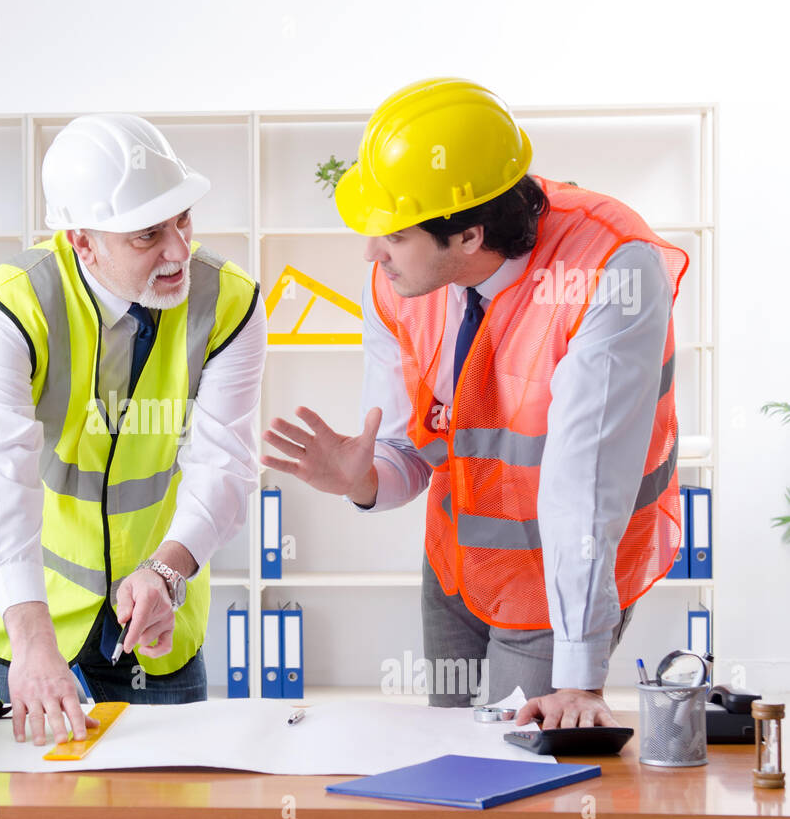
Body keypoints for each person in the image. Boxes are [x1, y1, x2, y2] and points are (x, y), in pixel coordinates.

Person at [263, 78, 686, 729]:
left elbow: (585, 483)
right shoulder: (399, 280)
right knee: (451, 763)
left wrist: (579, 677)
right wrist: (367, 478)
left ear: (467, 236)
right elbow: (413, 446)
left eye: (394, 235)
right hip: (456, 564)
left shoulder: (609, 270)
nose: (373, 254)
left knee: (522, 784)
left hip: (559, 575)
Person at [0, 114, 265, 745]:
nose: (178, 250)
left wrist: (169, 571)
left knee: (170, 807)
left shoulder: (229, 302)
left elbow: (224, 462)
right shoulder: (10, 307)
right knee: (13, 816)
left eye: (183, 221)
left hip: (153, 612)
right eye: (147, 234)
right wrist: (33, 638)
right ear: (82, 242)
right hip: (20, 610)